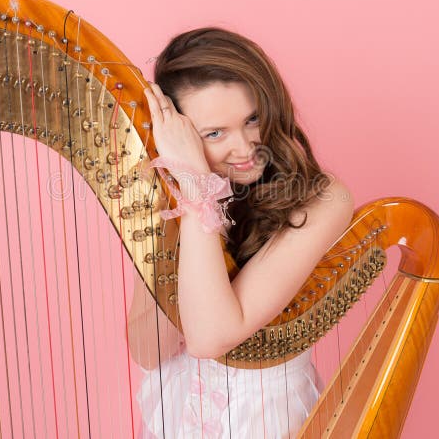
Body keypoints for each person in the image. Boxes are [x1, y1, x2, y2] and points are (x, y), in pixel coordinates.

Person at [128, 27, 354, 438]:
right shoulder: (174, 200)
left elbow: (209, 337)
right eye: (214, 133)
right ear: (179, 136)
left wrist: (198, 189)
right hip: (179, 416)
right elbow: (148, 350)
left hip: (265, 421)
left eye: (252, 119)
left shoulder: (323, 200)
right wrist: (183, 196)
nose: (247, 148)